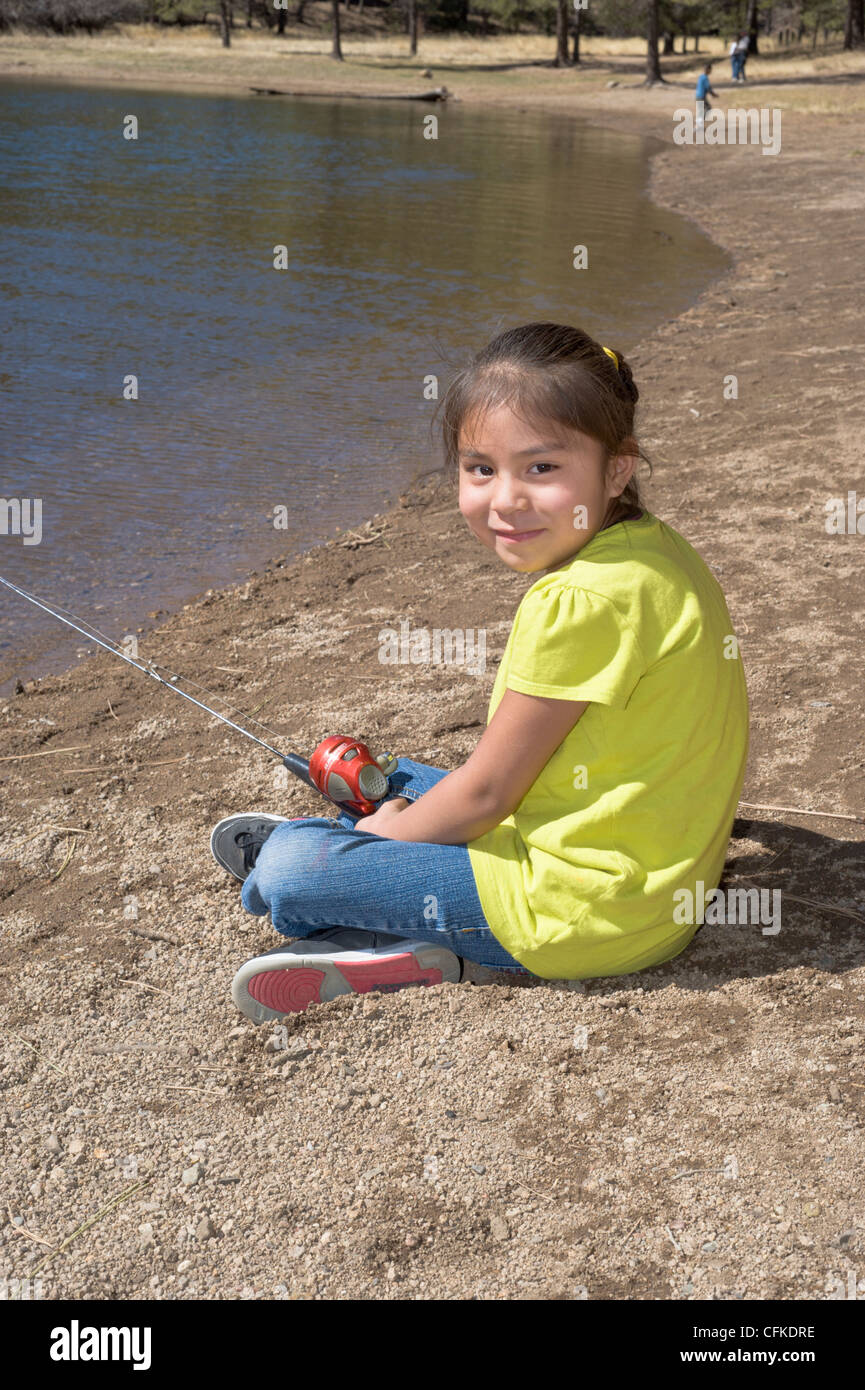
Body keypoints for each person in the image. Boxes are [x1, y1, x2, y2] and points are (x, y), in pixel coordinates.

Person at [213, 323, 750, 1020]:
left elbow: (489, 796)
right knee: (401, 779)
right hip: (649, 882)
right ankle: (379, 858)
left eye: (541, 469)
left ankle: (385, 918)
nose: (504, 499)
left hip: (579, 919)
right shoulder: (653, 551)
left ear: (616, 468)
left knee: (292, 871)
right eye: (480, 468)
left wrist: (374, 839)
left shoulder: (579, 603)